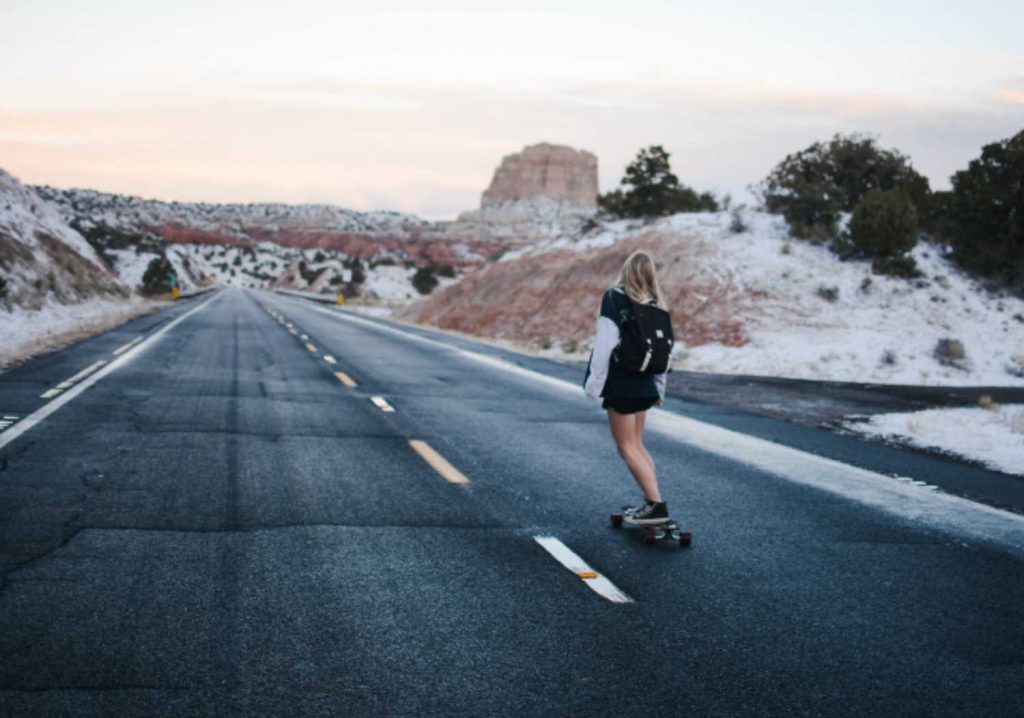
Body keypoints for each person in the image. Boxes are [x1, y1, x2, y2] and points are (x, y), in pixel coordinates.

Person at [583, 250, 671, 525]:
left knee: (626, 448)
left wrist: (594, 383)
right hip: (645, 383)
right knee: (636, 444)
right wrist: (659, 389)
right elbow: (665, 352)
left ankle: (656, 506)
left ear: (626, 270)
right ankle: (651, 503)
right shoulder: (656, 304)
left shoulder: (614, 298)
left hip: (622, 384)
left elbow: (605, 344)